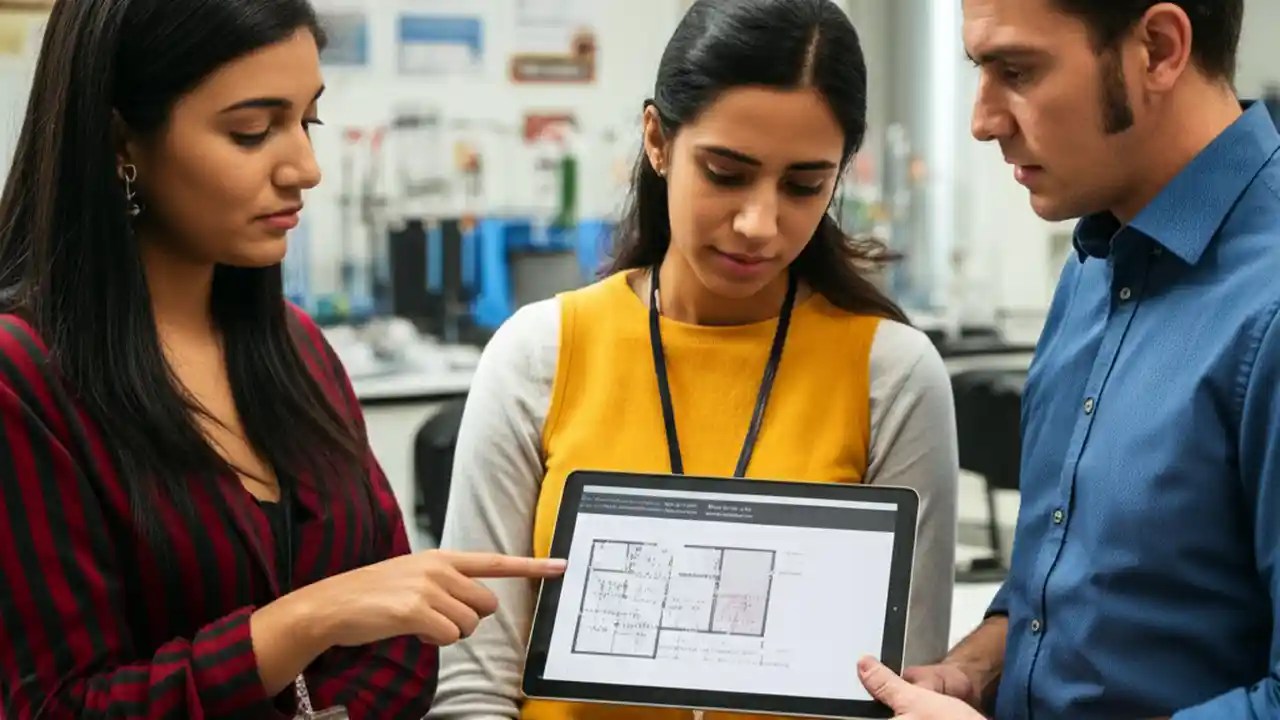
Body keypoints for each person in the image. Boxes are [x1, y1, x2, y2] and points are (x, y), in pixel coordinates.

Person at [0, 1, 563, 717]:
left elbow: (402, 634)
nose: (305, 167)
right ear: (121, 142)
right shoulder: (25, 381)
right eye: (252, 132)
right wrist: (304, 622)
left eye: (308, 121)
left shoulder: (298, 350)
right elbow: (57, 705)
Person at [428, 1, 959, 718]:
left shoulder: (889, 375)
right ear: (657, 140)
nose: (759, 224)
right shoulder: (539, 355)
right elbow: (473, 688)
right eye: (726, 173)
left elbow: (901, 688)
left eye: (804, 186)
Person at [862, 0, 1280, 719]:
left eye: (1016, 71)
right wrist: (976, 669)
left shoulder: (1266, 306)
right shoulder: (1095, 264)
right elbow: (1075, 589)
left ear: (1157, 48)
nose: (983, 120)